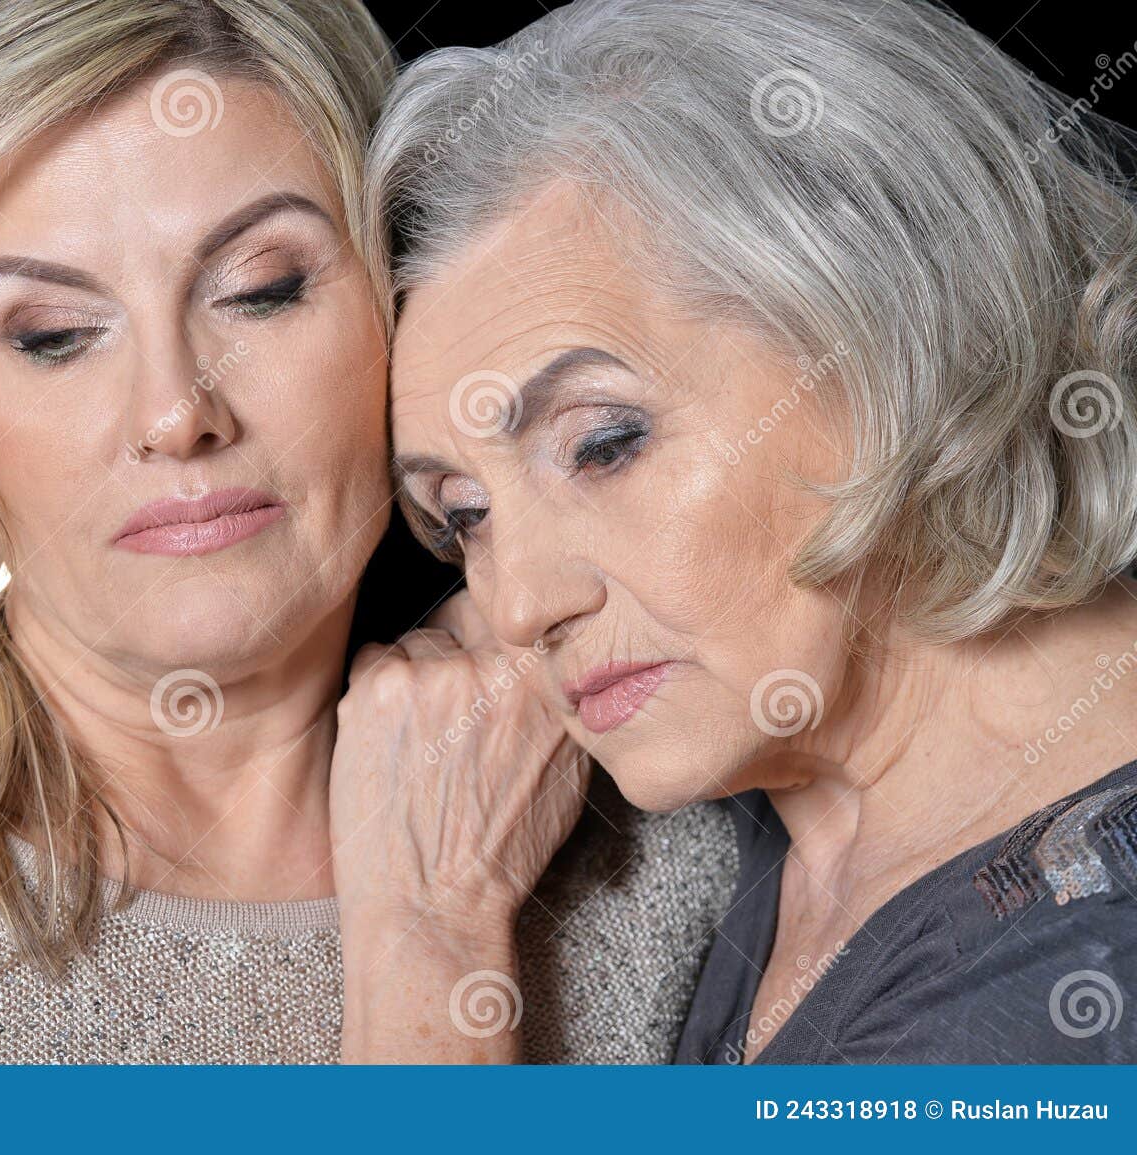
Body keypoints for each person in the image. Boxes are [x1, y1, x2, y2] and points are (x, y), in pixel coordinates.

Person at [0, 0, 737, 1064]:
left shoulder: (681, 859)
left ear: (407, 303)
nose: (177, 412)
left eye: (261, 288)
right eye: (54, 332)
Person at [373, 0, 1137, 1061]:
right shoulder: (794, 776)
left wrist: (428, 930)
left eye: (602, 446)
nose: (515, 606)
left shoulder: (1050, 999)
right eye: (466, 517)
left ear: (891, 334)